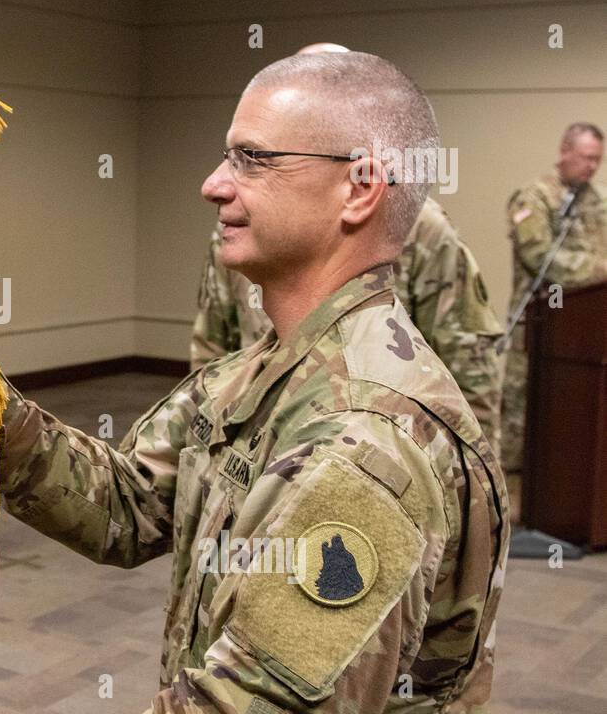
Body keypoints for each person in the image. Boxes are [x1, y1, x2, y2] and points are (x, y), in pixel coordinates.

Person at [0, 51, 509, 714]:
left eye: (253, 159)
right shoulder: (265, 370)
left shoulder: (367, 441)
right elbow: (124, 506)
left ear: (361, 188)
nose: (214, 185)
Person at [191, 43, 504, 448]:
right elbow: (213, 346)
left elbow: (467, 360)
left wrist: (471, 476)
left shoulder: (424, 229)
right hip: (255, 441)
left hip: (370, 441)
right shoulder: (239, 228)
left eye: (253, 157)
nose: (214, 186)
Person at [501, 122, 607, 474]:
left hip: (586, 325)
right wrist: (599, 269)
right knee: (525, 404)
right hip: (544, 313)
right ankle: (517, 488)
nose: (591, 167)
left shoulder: (598, 200)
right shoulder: (535, 197)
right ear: (565, 152)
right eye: (586, 158)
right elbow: (540, 258)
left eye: (597, 160)